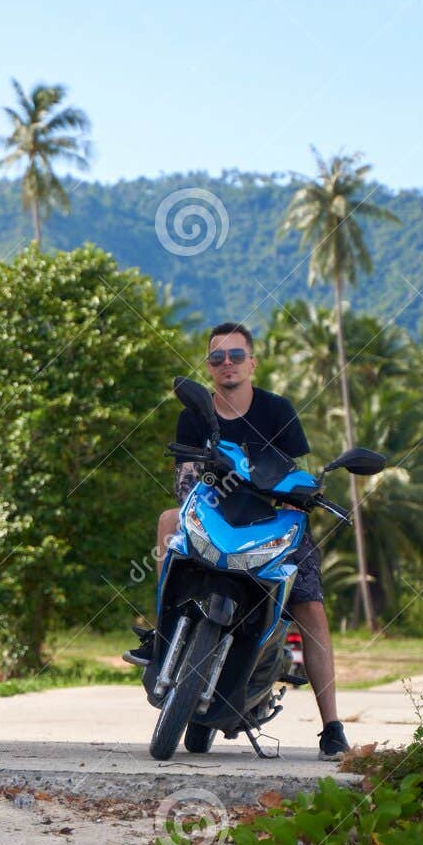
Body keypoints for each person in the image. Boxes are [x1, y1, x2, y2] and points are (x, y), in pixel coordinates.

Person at [125, 322, 350, 761]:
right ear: (209, 367)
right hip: (214, 513)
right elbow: (186, 483)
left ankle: (332, 727)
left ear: (252, 363)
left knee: (312, 609)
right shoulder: (194, 413)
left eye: (235, 356)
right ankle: (163, 630)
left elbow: (293, 476)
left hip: (270, 518)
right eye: (217, 358)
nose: (226, 364)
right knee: (168, 519)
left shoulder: (277, 410)